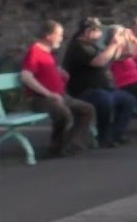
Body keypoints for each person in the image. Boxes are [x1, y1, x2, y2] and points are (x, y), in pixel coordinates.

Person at [18, 19, 95, 158]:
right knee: (63, 114)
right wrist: (49, 94)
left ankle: (72, 144)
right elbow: (26, 76)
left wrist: (60, 73)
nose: (61, 38)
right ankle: (56, 146)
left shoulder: (47, 52)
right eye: (59, 35)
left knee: (87, 110)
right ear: (49, 36)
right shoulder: (35, 51)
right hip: (40, 99)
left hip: (59, 96)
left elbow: (46, 72)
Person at [62, 17, 137, 147]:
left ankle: (115, 135)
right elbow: (99, 62)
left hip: (102, 89)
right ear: (87, 32)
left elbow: (114, 57)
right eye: (97, 31)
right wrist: (113, 44)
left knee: (128, 100)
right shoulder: (79, 46)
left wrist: (122, 42)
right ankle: (103, 137)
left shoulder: (92, 45)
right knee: (104, 100)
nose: (100, 34)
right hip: (84, 91)